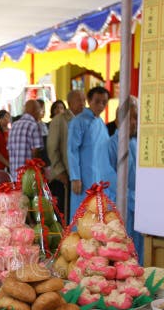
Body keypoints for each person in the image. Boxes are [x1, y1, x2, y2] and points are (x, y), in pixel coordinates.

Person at [107, 96, 143, 263]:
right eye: (130, 118)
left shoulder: (137, 143)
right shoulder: (110, 145)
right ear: (117, 121)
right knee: (122, 255)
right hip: (121, 208)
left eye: (137, 117)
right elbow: (111, 181)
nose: (134, 122)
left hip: (139, 207)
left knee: (140, 253)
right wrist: (134, 198)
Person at [67, 86, 110, 216]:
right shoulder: (78, 121)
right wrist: (75, 177)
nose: (100, 105)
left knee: (97, 213)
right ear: (89, 101)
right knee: (82, 213)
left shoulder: (101, 122)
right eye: (97, 101)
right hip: (84, 177)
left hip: (100, 176)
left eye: (104, 102)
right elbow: (72, 150)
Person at [47, 90, 85, 219]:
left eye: (84, 100)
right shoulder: (59, 120)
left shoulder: (84, 120)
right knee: (65, 214)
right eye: (78, 100)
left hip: (80, 175)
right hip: (64, 176)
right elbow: (52, 148)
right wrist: (60, 171)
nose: (82, 103)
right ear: (69, 103)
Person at [7, 99, 43, 174]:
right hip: (28, 175)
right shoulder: (34, 125)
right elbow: (36, 151)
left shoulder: (13, 126)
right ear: (35, 111)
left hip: (14, 173)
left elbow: (9, 149)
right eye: (40, 111)